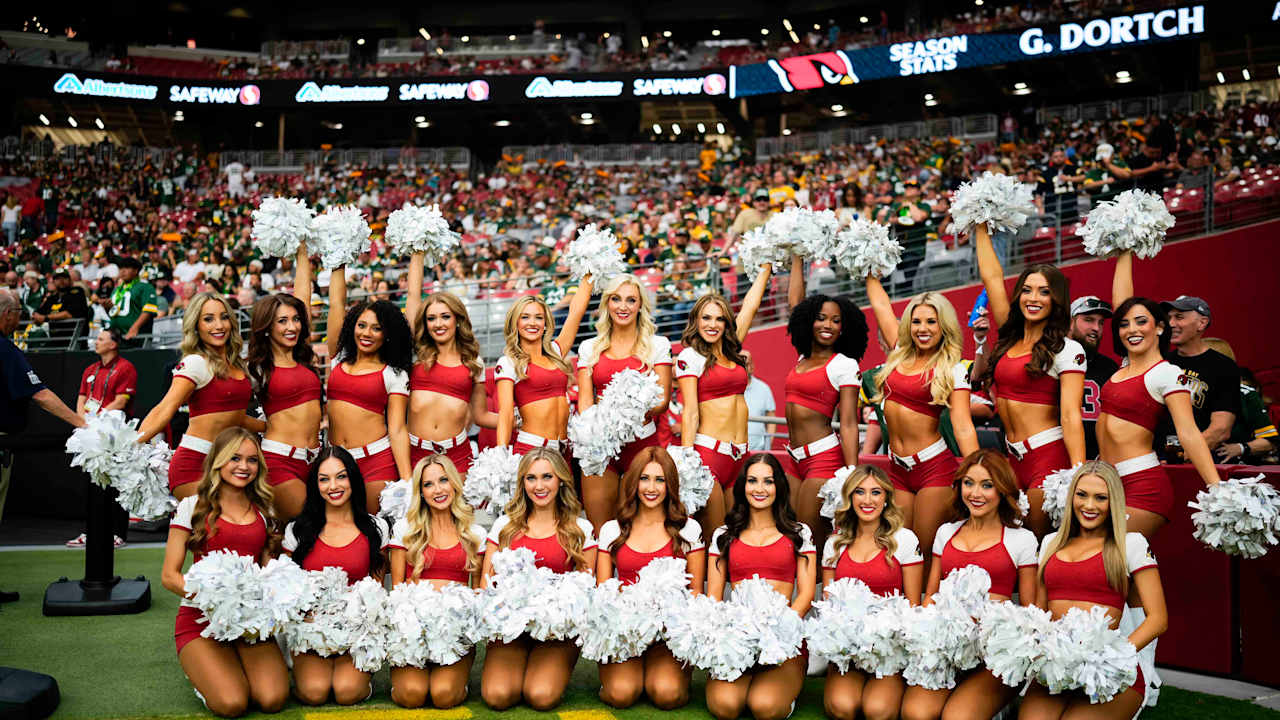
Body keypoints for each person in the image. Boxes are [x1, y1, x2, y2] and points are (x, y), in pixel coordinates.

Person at [1019, 461, 1168, 720]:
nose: (1089, 506)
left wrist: (1111, 656)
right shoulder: (1050, 543)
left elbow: (1158, 619)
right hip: (1057, 665)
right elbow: (1040, 613)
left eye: (1101, 498)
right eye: (1082, 495)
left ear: (1114, 502)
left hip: (1109, 667)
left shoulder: (1130, 544)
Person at [900, 450, 1038, 720]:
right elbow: (932, 594)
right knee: (915, 714)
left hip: (994, 656)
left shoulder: (1022, 539)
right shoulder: (946, 532)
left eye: (987, 485)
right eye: (969, 483)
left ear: (1002, 490)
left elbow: (1030, 609)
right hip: (947, 648)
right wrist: (926, 638)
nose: (976, 493)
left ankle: (996, 700)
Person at [161, 428, 286, 717]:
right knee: (232, 704)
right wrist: (217, 600)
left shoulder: (264, 509)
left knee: (272, 699)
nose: (244, 467)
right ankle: (205, 677)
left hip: (250, 623)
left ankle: (231, 665)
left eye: (252, 460)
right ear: (218, 460)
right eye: (235, 458)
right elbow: (170, 576)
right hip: (202, 619)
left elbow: (268, 570)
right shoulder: (192, 506)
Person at [975, 226, 1086, 537]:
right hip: (1011, 458)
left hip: (1048, 460)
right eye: (1027, 289)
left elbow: (1070, 415)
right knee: (1012, 549)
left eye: (1044, 291)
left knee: (1038, 549)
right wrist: (980, 226)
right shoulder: (1010, 337)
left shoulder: (1067, 348)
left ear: (1057, 299)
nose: (1033, 298)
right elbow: (993, 280)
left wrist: (1076, 475)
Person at [1100, 253, 1219, 537]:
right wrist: (1125, 251)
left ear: (1160, 327)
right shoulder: (1125, 366)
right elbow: (1121, 305)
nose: (1132, 329)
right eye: (1125, 325)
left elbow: (1189, 432)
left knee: (1112, 561)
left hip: (1142, 484)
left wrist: (1217, 490)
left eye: (1142, 322)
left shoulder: (1167, 373)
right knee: (1114, 574)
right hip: (1105, 482)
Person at [865, 280, 978, 574]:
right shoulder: (900, 352)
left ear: (944, 327)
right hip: (898, 469)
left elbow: (963, 425)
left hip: (933, 470)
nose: (923, 328)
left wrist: (977, 470)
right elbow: (880, 306)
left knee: (925, 552)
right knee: (897, 548)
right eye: (916, 321)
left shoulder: (952, 369)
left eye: (931, 321)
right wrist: (868, 264)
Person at [481, 448, 598, 711]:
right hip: (513, 630)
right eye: (531, 478)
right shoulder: (504, 526)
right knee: (497, 696)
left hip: (556, 632)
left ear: (561, 481)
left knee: (540, 696)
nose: (539, 486)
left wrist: (554, 614)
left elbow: (587, 591)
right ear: (522, 483)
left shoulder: (580, 530)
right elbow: (486, 586)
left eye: (547, 477)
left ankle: (547, 666)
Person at [705, 453, 816, 720]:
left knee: (765, 707)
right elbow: (714, 597)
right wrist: (729, 634)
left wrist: (782, 629)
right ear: (743, 486)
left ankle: (783, 691)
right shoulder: (724, 535)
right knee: (725, 706)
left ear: (779, 486)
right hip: (738, 639)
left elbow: (807, 594)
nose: (760, 488)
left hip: (782, 639)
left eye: (768, 481)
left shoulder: (799, 533)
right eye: (753, 480)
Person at [595, 447, 706, 709]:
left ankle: (665, 673)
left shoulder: (688, 530)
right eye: (644, 478)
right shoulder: (613, 530)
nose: (651, 488)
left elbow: (695, 592)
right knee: (621, 694)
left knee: (667, 695)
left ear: (671, 485)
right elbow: (603, 591)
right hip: (625, 633)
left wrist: (672, 623)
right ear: (633, 482)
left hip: (669, 635)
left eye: (660, 480)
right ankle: (618, 677)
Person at [282, 447, 388, 706]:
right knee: (314, 693)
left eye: (341, 476)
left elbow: (375, 590)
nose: (334, 486)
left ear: (353, 479)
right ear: (315, 485)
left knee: (347, 692)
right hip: (311, 627)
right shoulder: (297, 530)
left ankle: (361, 678)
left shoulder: (376, 528)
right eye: (324, 479)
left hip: (356, 630)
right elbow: (287, 588)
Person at [0, 289, 86, 601]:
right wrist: (83, 424)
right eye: (17, 313)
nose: (19, 318)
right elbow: (40, 394)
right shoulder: (5, 348)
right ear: (7, 314)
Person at [676, 267, 773, 540]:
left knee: (737, 534)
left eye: (719, 319)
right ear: (695, 320)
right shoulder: (689, 357)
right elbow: (691, 413)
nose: (712, 324)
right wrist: (687, 461)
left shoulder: (731, 347)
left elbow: (751, 307)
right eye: (706, 318)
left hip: (741, 454)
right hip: (709, 456)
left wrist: (765, 267)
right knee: (715, 537)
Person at [820, 465, 922, 720]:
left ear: (886, 497)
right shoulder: (834, 544)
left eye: (875, 492)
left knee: (877, 710)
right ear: (849, 497)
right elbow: (828, 605)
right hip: (849, 651)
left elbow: (912, 605)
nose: (867, 500)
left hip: (889, 649)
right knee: (843, 707)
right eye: (859, 492)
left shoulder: (905, 540)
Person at [137, 291, 262, 499]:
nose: (219, 326)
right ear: (196, 326)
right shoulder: (196, 362)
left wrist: (275, 427)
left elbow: (236, 417)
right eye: (208, 319)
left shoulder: (237, 365)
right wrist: (131, 446)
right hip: (196, 462)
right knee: (207, 527)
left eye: (224, 317)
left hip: (229, 462)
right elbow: (164, 409)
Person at [387, 453, 486, 709]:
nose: (438, 489)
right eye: (428, 484)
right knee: (412, 695)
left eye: (444, 480)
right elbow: (397, 588)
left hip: (454, 633)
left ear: (454, 483)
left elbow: (479, 592)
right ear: (420, 492)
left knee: (443, 696)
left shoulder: (475, 534)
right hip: (414, 632)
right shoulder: (405, 531)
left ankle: (455, 678)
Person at [576, 274, 672, 531]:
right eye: (616, 299)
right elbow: (585, 403)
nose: (623, 306)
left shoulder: (657, 345)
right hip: (600, 450)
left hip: (642, 447)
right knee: (601, 531)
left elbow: (662, 401)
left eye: (631, 300)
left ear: (640, 305)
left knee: (642, 529)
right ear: (607, 303)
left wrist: (626, 412)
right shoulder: (589, 347)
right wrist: (598, 428)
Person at [785, 256, 867, 552]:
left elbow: (847, 422)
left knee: (807, 540)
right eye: (820, 317)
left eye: (835, 320)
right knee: (791, 535)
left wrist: (851, 474)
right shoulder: (802, 357)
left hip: (824, 460)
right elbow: (795, 305)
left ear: (844, 328)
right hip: (794, 459)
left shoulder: (843, 365)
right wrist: (797, 257)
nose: (827, 325)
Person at [325, 263, 414, 511]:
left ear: (387, 335)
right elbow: (335, 303)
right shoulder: (338, 357)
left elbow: (397, 429)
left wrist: (407, 481)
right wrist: (338, 261)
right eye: (362, 325)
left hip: (376, 461)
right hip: (335, 461)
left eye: (377, 328)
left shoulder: (394, 374)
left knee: (377, 536)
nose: (367, 333)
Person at [404, 252, 495, 480]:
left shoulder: (474, 362)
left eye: (445, 316)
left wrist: (521, 419)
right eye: (431, 318)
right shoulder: (416, 354)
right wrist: (418, 252)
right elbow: (413, 295)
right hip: (415, 452)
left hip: (457, 455)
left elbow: (481, 416)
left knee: (457, 516)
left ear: (457, 319)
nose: (438, 324)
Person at [247, 247, 321, 519]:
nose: (292, 327)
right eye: (282, 322)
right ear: (267, 326)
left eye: (295, 320)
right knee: (310, 526)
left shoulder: (303, 356)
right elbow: (229, 415)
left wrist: (302, 250)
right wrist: (265, 426)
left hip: (317, 459)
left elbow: (302, 296)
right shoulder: (256, 368)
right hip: (280, 461)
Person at [495, 282, 593, 455]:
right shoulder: (509, 362)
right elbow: (506, 414)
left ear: (546, 323)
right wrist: (500, 455)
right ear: (515, 323)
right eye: (525, 317)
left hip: (565, 449)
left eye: (538, 317)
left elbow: (575, 313)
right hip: (533, 450)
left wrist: (589, 273)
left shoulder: (555, 352)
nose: (532, 323)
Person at [1161, 295, 1239, 450]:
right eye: (1169, 318)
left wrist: (1184, 456)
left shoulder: (1223, 366)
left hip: (1198, 462)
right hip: (1156, 459)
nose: (1171, 324)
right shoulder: (1161, 362)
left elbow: (1220, 429)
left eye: (1179, 317)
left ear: (1202, 323)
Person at [1070, 296, 1118, 459]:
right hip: (1058, 462)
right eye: (1089, 320)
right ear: (1070, 322)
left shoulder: (1110, 367)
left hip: (1101, 461)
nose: (1096, 328)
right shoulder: (1051, 362)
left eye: (1101, 323)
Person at [108, 257, 158, 342]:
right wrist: (108, 307)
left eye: (126, 268)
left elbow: (148, 311)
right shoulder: (117, 290)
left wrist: (134, 328)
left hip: (136, 337)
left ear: (136, 271)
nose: (122, 271)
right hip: (117, 337)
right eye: (120, 268)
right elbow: (115, 313)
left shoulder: (145, 287)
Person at [742, 350, 776, 452]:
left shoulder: (763, 389)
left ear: (752, 367)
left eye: (746, 365)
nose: (743, 368)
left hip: (758, 451)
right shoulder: (727, 389)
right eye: (739, 364)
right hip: (732, 450)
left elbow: (772, 420)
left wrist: (767, 445)